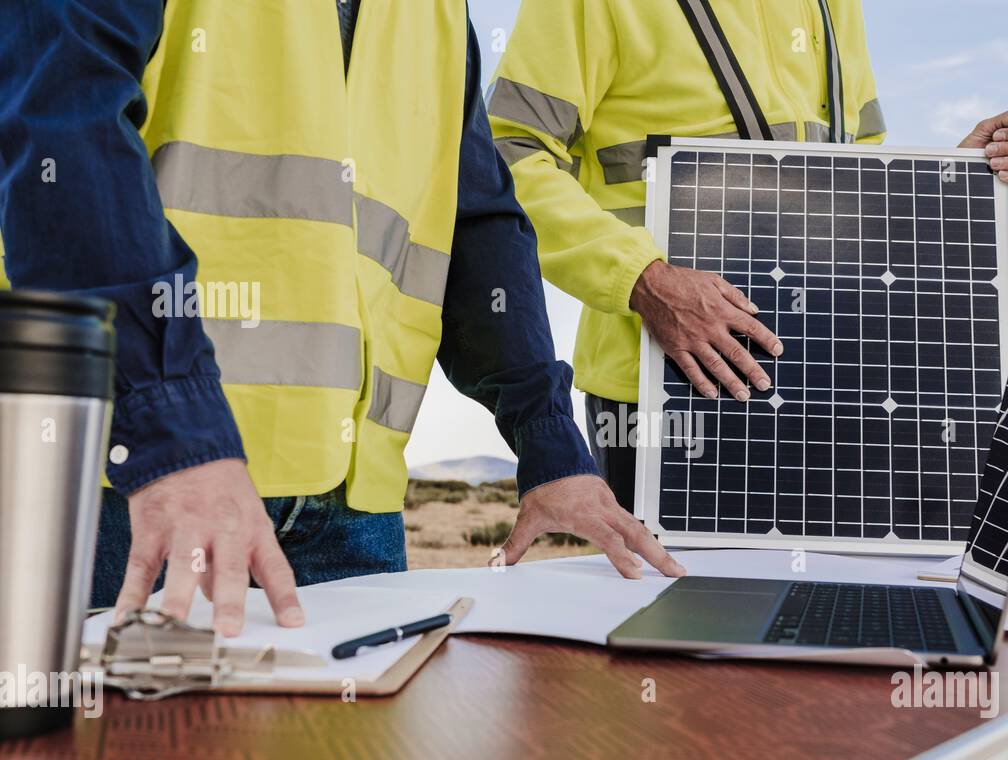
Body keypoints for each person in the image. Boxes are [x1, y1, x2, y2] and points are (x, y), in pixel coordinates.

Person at [0, 0, 684, 639]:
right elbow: (61, 125)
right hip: (131, 481)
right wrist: (167, 423)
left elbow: (479, 219)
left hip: (355, 510)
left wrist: (550, 443)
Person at [488, 0, 1008, 510]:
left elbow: (859, 185)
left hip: (825, 381)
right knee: (672, 610)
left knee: (822, 609)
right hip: (665, 379)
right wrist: (642, 279)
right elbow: (507, 156)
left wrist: (954, 182)